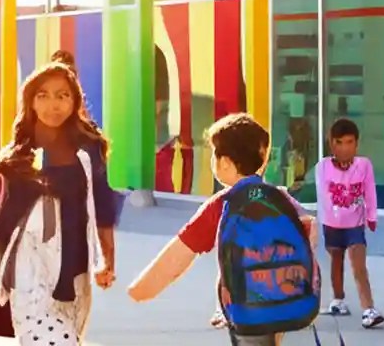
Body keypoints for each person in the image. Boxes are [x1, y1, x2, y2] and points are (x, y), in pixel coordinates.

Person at [127, 113, 317, 346]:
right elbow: (310, 225)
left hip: (247, 308)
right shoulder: (280, 197)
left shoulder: (223, 204)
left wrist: (141, 290)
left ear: (224, 162)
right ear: (263, 155)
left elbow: (177, 257)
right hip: (288, 298)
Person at [0, 60, 119, 344]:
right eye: (42, 95)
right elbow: (1, 222)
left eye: (62, 95)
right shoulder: (17, 154)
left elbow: (102, 207)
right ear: (30, 101)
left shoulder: (88, 149)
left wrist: (108, 260)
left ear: (74, 101)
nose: (52, 104)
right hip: (28, 267)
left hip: (74, 265)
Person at [315, 117, 383, 328]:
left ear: (357, 143)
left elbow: (370, 191)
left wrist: (371, 216)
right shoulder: (323, 166)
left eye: (350, 142)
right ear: (331, 144)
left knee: (358, 264)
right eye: (340, 142)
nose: (345, 148)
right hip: (332, 224)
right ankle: (338, 300)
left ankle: (368, 309)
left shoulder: (364, 165)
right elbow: (323, 197)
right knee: (336, 260)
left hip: (355, 224)